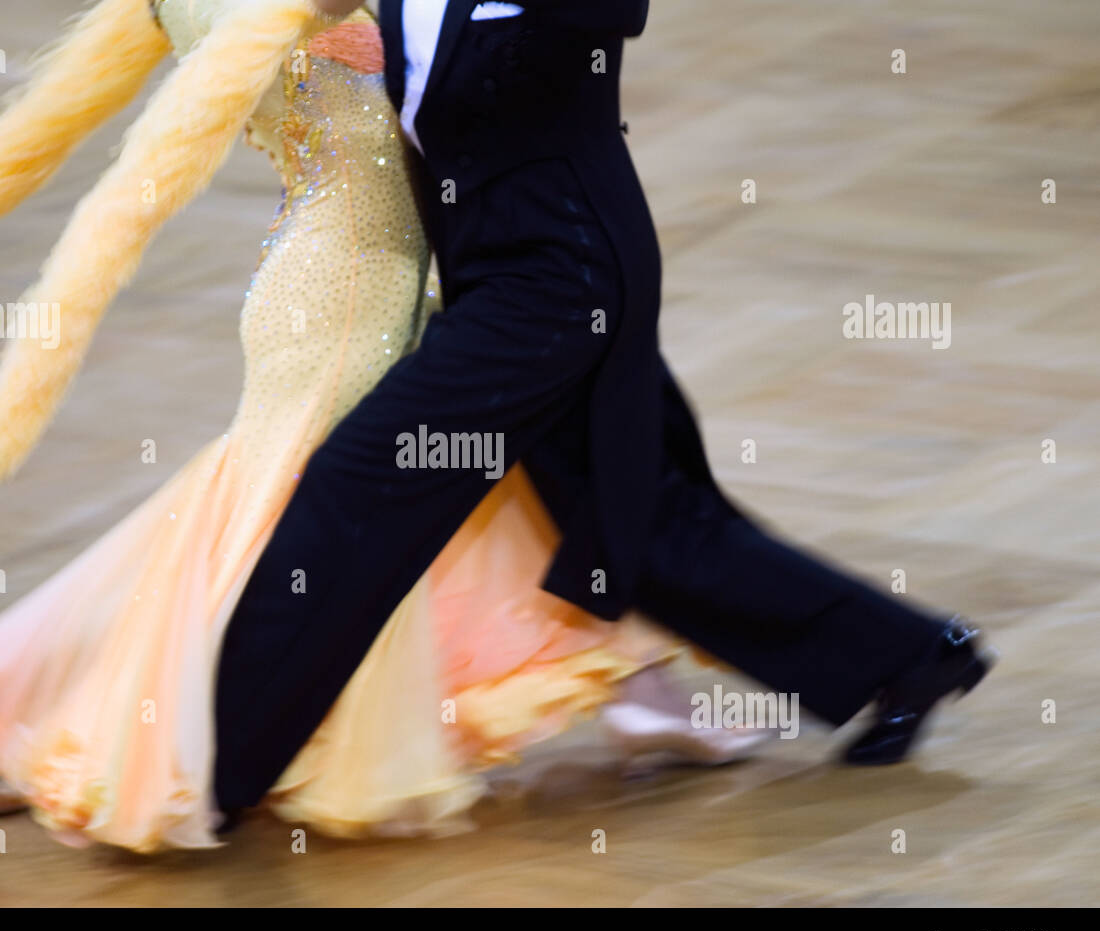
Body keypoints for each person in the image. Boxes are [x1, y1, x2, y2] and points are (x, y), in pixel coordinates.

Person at [0, 0, 759, 853]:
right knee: (282, 530)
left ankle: (636, 683)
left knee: (446, 488)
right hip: (345, 296)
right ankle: (15, 703)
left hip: (365, 276)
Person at [205, 0, 996, 828]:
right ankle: (912, 657)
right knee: (647, 525)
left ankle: (217, 773)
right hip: (502, 279)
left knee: (359, 485)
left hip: (562, 287)